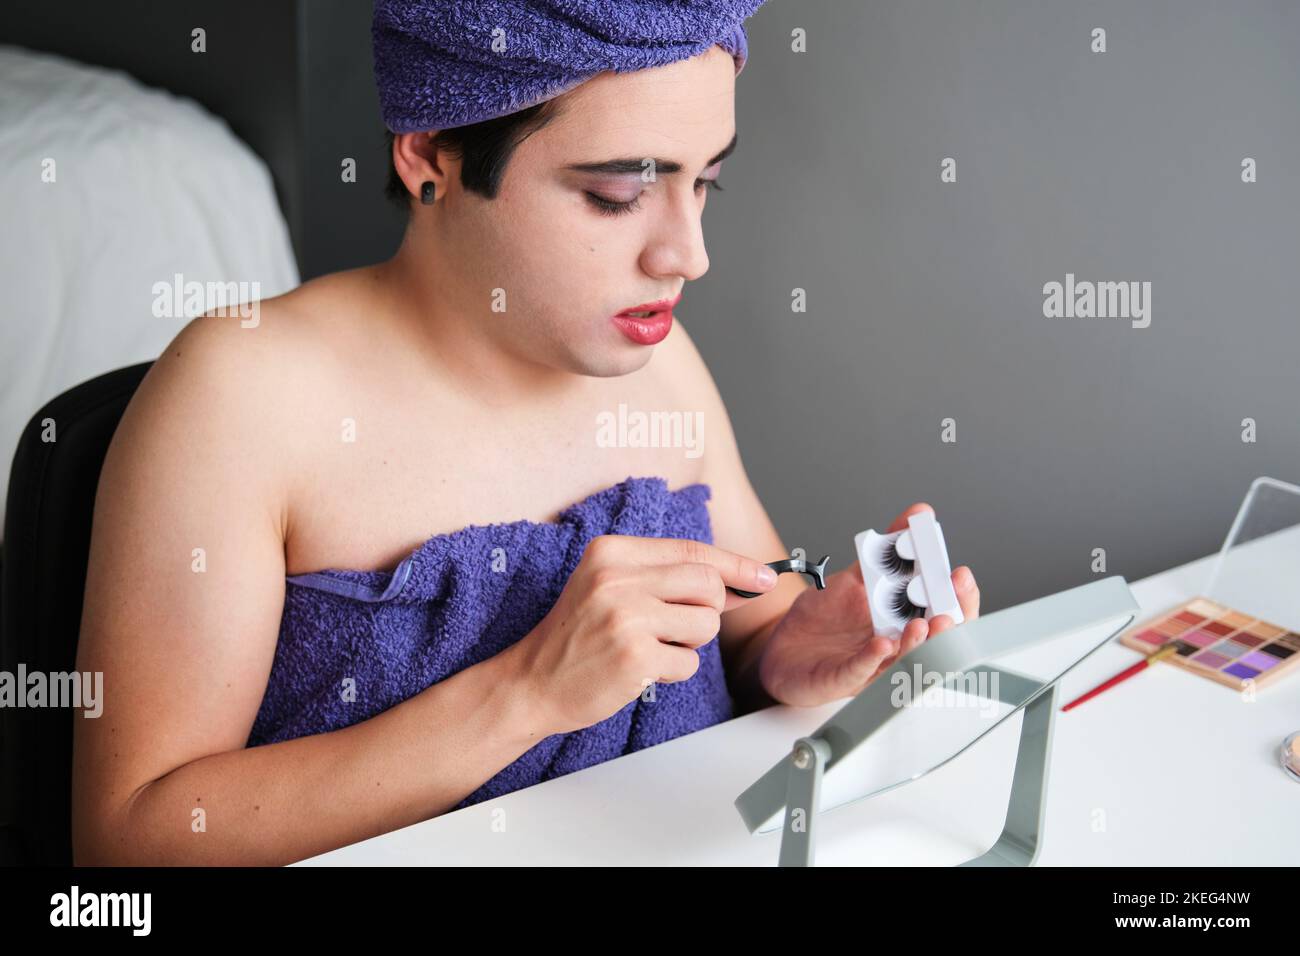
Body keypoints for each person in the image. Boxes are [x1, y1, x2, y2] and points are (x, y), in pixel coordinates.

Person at [71, 0, 979, 866]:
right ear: (431, 152)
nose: (688, 254)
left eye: (705, 181)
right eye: (620, 193)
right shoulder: (244, 397)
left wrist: (794, 651)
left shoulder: (659, 364)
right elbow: (132, 837)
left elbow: (751, 626)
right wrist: (525, 693)